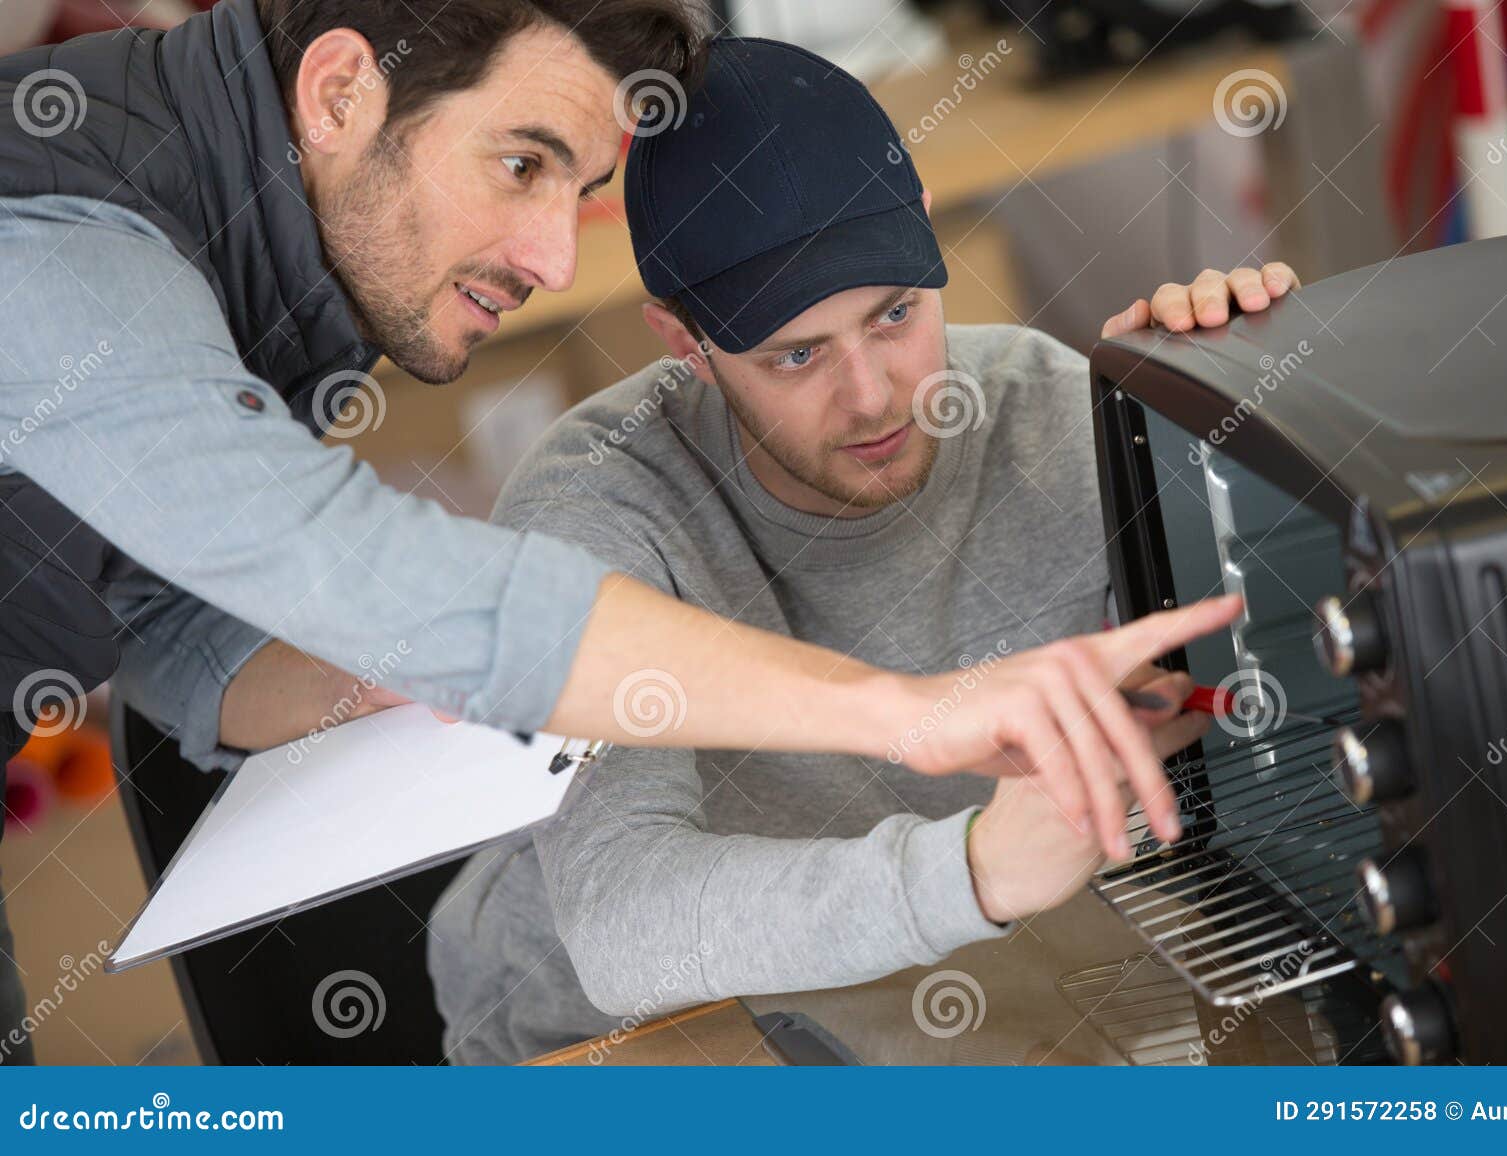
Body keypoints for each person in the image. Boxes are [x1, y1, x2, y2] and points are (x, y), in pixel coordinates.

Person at [0, 3, 1239, 1063]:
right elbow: (337, 557)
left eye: (580, 189)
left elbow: (159, 616)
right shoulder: (63, 255)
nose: (552, 259)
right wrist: (903, 715)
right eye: (521, 164)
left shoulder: (253, 252)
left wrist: (1211, 419)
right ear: (336, 93)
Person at [422, 36, 1302, 1063]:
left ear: (923, 227)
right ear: (684, 344)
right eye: (797, 354)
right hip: (620, 1034)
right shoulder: (595, 503)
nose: (875, 394)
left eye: (895, 314)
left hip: (949, 977)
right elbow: (622, 923)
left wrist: (1213, 426)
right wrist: (972, 871)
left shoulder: (1044, 406)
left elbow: (1266, 719)